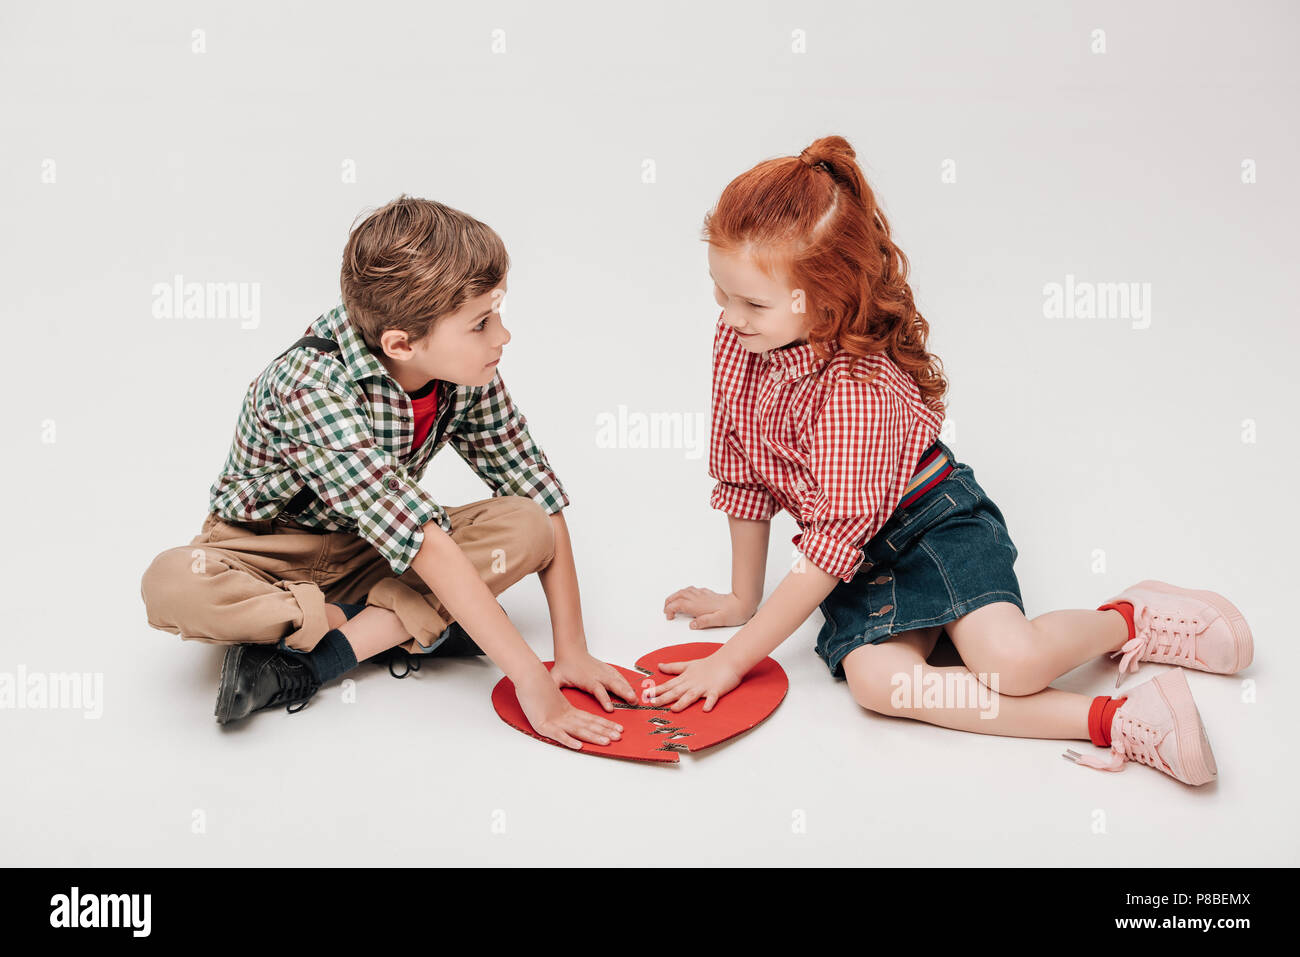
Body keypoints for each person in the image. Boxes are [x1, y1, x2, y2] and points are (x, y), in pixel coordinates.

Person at [654, 137, 1253, 786]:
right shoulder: (739, 341)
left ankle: (1129, 618)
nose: (730, 317)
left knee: (1011, 661)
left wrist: (733, 660)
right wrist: (745, 597)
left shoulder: (857, 387)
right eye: (721, 293)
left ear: (825, 297)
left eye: (752, 303)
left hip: (928, 522)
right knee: (880, 684)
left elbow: (829, 547)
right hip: (857, 559)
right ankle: (1117, 718)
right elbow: (741, 469)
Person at [141, 194, 634, 748]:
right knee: (173, 583)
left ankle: (323, 651)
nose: (503, 336)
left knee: (527, 525)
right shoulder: (310, 385)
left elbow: (536, 492)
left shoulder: (464, 370)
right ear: (402, 343)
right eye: (481, 323)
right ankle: (374, 626)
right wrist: (532, 680)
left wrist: (570, 653)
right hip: (264, 552)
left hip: (371, 547)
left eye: (497, 314)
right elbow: (421, 540)